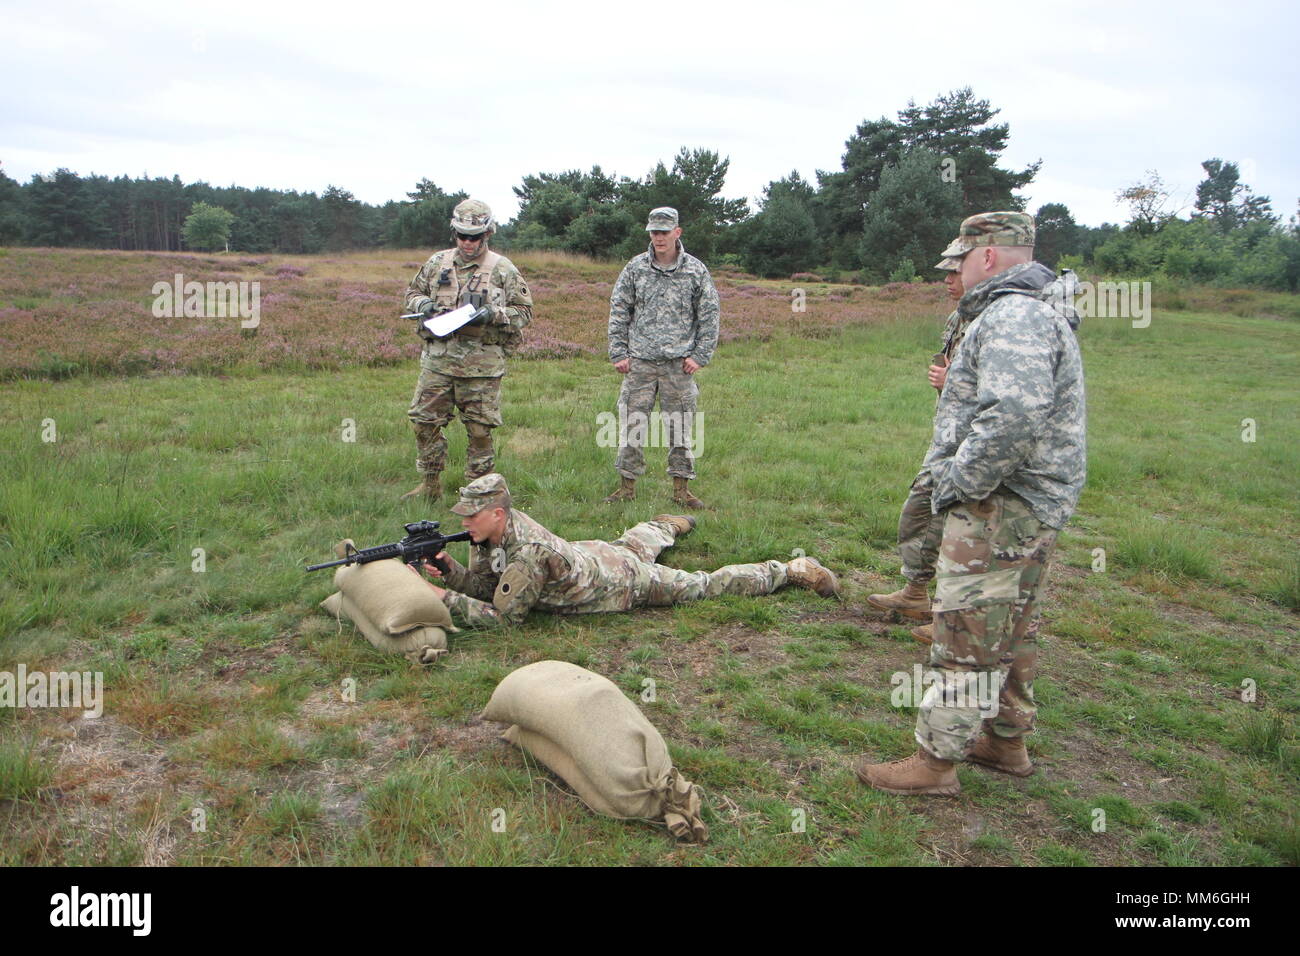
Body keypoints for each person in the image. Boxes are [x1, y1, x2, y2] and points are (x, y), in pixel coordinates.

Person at [857, 212, 1086, 796]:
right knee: (1012, 627)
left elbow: (1012, 415)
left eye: (960, 258)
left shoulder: (1014, 315)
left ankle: (936, 763)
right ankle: (1005, 741)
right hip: (1025, 500)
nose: (953, 269)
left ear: (987, 257)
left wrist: (958, 481)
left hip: (1000, 502)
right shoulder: (1032, 309)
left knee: (965, 631)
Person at [417, 473, 839, 629]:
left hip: (620, 584)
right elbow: (487, 584)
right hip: (596, 555)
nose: (464, 522)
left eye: (472, 515)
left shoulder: (527, 552)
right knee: (632, 545)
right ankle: (663, 526)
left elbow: (504, 618)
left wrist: (443, 598)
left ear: (497, 512)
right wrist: (450, 569)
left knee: (699, 586)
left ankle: (790, 569)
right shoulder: (490, 534)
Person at [401, 199, 533, 500]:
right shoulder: (437, 263)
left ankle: (478, 493)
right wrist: (424, 304)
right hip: (438, 361)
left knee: (479, 431)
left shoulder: (502, 269)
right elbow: (412, 292)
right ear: (454, 233)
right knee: (423, 422)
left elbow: (524, 313)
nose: (468, 242)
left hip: (482, 366)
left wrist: (493, 314)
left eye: (475, 237)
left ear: (488, 234)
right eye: (462, 236)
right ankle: (430, 484)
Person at [867, 257, 967, 645]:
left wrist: (952, 378)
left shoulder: (1002, 320)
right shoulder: (961, 315)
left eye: (956, 271)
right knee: (921, 509)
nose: (947, 279)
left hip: (976, 445)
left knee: (963, 527)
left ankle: (954, 617)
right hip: (947, 436)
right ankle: (915, 592)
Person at [604, 207, 720, 509]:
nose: (659, 238)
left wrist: (700, 355)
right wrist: (619, 351)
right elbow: (619, 310)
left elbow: (709, 315)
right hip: (640, 363)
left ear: (677, 233)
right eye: (654, 232)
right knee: (631, 426)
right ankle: (626, 489)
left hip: (678, 366)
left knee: (679, 429)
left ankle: (681, 491)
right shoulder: (634, 268)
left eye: (664, 232)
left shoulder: (695, 270)